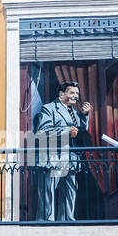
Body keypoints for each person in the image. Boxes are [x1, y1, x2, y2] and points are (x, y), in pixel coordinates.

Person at [34, 81, 90, 222]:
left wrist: (84, 115)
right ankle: (47, 221)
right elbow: (42, 132)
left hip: (71, 158)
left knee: (70, 191)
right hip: (54, 157)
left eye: (77, 93)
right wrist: (66, 131)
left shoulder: (75, 112)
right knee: (49, 192)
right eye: (72, 93)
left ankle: (68, 220)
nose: (75, 96)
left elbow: (80, 132)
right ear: (61, 94)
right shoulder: (49, 108)